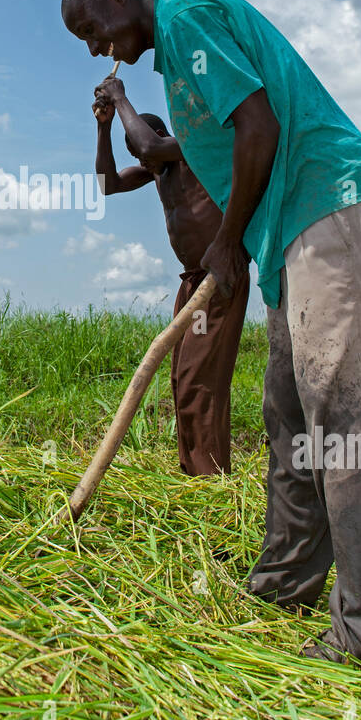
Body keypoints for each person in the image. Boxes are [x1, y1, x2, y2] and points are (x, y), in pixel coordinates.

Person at [62, 0, 361, 667]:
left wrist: (225, 244)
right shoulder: (175, 70)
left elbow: (259, 127)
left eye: (92, 29)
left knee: (347, 423)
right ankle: (285, 586)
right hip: (286, 236)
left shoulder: (187, 14)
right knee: (288, 418)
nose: (96, 47)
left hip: (329, 207)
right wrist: (244, 244)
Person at [93, 91, 248, 478]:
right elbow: (107, 184)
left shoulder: (188, 150)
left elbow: (150, 144)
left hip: (218, 279)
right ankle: (194, 471)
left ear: (161, 136)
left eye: (144, 151)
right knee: (183, 377)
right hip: (193, 283)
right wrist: (103, 127)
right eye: (137, 157)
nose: (143, 160)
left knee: (200, 379)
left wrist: (120, 99)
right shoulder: (157, 169)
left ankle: (210, 477)